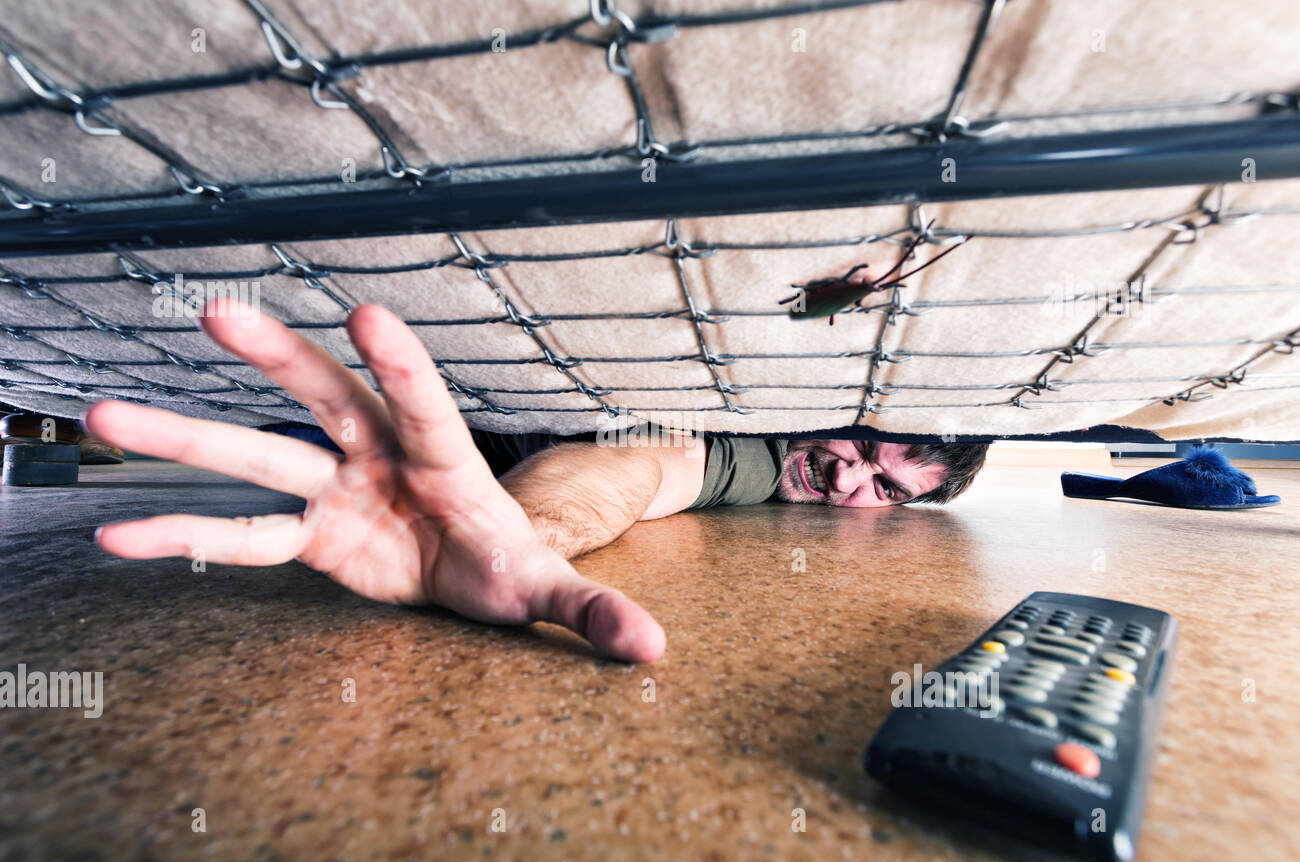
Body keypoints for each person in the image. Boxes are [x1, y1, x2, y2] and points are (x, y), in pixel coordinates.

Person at [84, 301, 988, 664]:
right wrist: (534, 534)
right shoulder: (753, 447)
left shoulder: (781, 483)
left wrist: (518, 553)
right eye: (860, 445)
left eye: (884, 488)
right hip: (421, 449)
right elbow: (643, 468)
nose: (843, 476)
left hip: (385, 473)